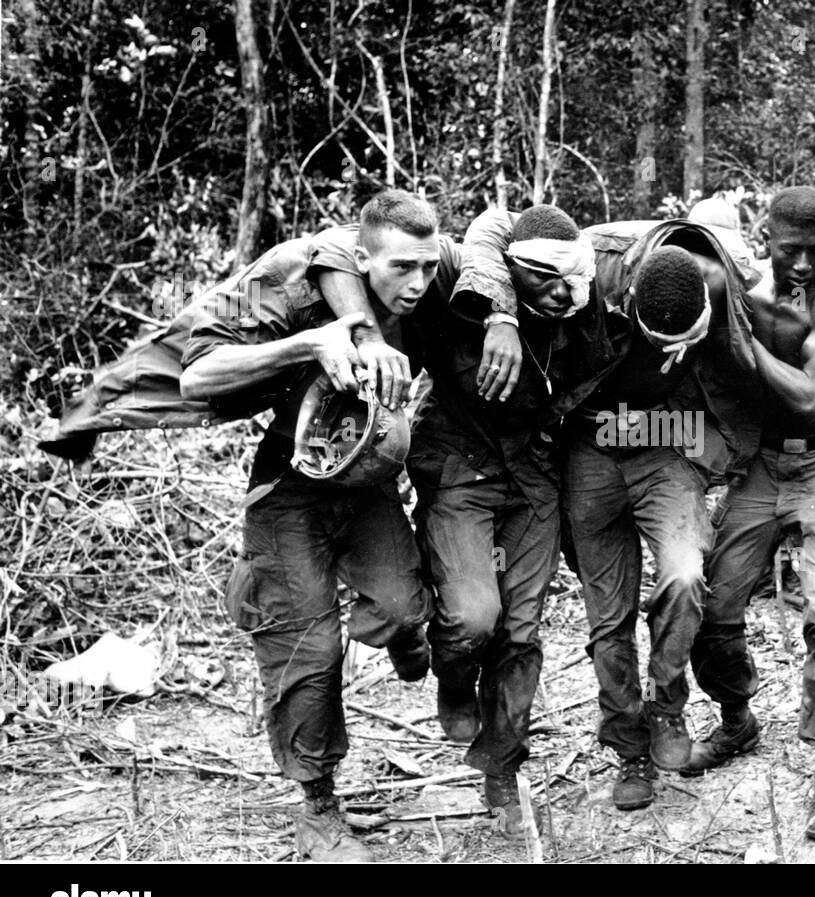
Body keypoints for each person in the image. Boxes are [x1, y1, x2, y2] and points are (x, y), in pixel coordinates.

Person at [463, 207, 761, 811]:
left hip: (665, 451)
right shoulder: (590, 258)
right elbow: (495, 229)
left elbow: (752, 349)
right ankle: (630, 751)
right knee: (608, 619)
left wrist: (713, 460)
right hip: (590, 454)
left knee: (684, 574)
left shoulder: (727, 275)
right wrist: (499, 314)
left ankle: (667, 706)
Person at [310, 204, 590, 838]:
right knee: (471, 617)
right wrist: (497, 315)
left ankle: (502, 764)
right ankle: (454, 675)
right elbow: (333, 248)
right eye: (539, 276)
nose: (558, 290)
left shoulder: (585, 304)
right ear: (511, 269)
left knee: (520, 632)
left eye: (568, 278)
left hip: (534, 477)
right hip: (460, 466)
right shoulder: (460, 283)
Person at [178, 189, 441, 862]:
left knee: (401, 605)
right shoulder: (290, 287)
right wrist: (307, 346)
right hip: (290, 480)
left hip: (368, 476)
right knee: (309, 648)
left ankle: (403, 629)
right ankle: (318, 806)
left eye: (427, 267)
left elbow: (496, 252)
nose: (416, 284)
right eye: (401, 269)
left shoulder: (427, 280)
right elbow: (195, 378)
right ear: (363, 260)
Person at [686, 186, 815, 842]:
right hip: (761, 467)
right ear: (764, 239)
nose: (802, 264)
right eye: (789, 249)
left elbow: (808, 395)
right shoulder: (744, 299)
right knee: (713, 603)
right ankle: (738, 720)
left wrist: (740, 344)